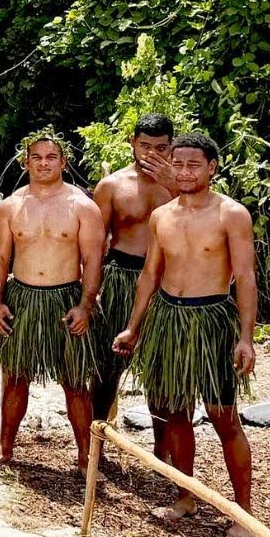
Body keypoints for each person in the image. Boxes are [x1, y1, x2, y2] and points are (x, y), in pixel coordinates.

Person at [113, 133, 257, 537]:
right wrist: (133, 326)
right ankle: (185, 496)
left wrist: (245, 337)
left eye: (194, 165)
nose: (184, 172)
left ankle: (243, 512)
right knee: (174, 412)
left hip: (212, 319)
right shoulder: (164, 215)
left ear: (212, 167)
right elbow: (149, 275)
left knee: (223, 416)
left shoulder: (232, 214)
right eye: (178, 164)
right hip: (167, 318)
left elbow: (245, 278)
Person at [0, 129, 103, 474]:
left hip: (67, 298)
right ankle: (5, 447)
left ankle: (85, 458)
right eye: (36, 157)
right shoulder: (11, 206)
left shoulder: (83, 206)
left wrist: (86, 305)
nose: (43, 163)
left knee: (75, 381)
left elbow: (93, 260)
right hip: (22, 296)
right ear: (26, 163)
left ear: (63, 162)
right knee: (15, 375)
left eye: (51, 157)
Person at [90, 113, 175, 454]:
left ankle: (162, 449)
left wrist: (173, 183)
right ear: (132, 142)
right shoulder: (112, 186)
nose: (153, 154)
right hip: (120, 278)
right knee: (106, 368)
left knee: (160, 372)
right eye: (145, 146)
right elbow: (95, 246)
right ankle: (95, 444)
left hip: (167, 285)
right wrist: (89, 294)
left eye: (161, 148)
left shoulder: (182, 185)